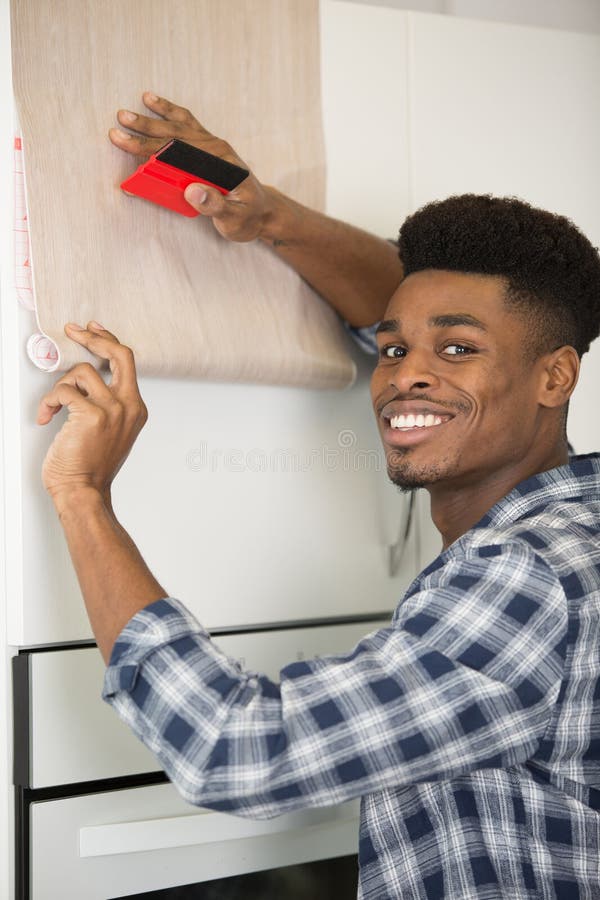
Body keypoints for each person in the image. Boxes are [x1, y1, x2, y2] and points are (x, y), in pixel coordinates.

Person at [38, 94, 600, 899]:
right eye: (394, 346)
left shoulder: (528, 575)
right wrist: (265, 215)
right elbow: (425, 318)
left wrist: (82, 493)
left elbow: (237, 752)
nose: (406, 370)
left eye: (457, 348)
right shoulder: (578, 528)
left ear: (557, 375)